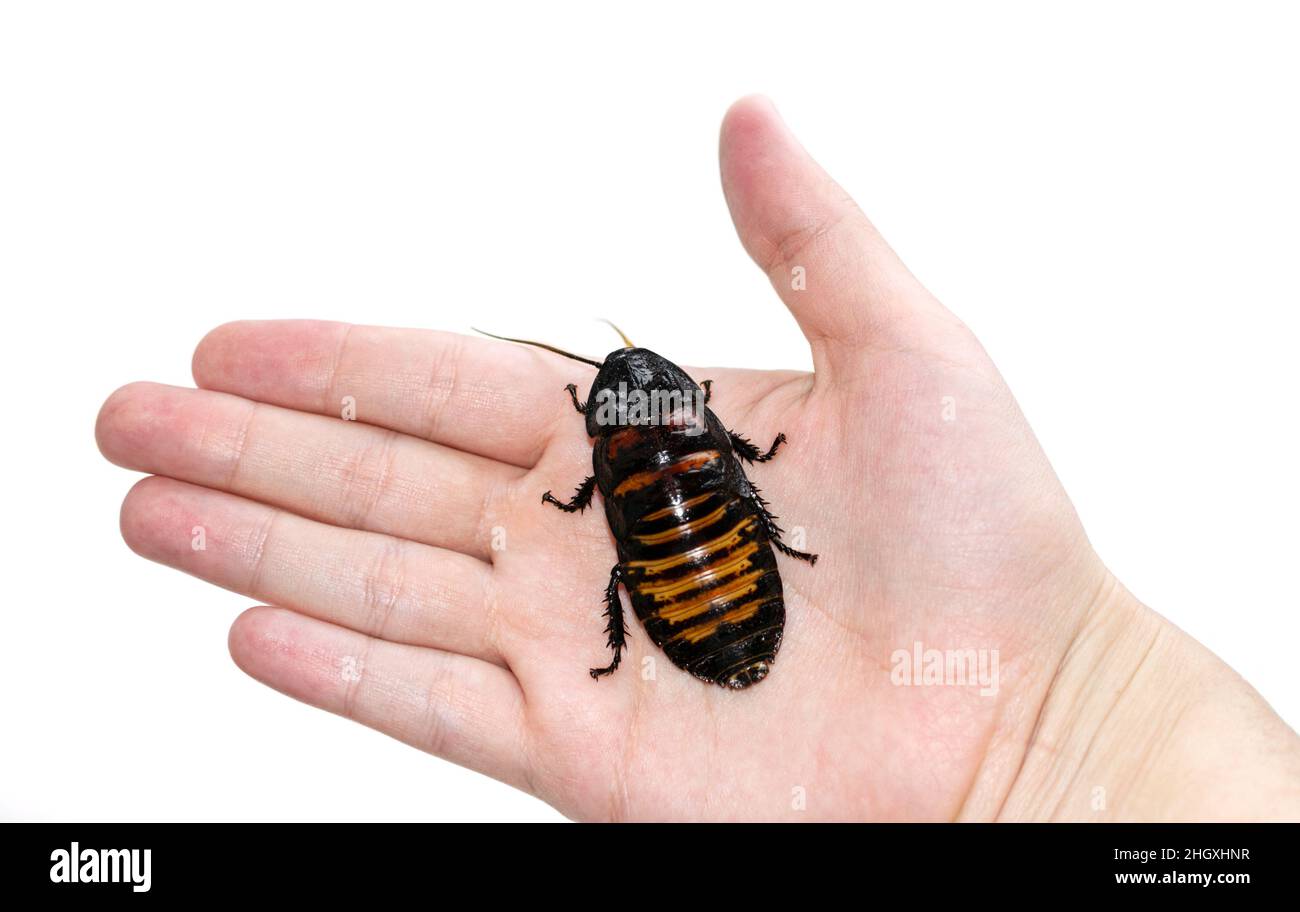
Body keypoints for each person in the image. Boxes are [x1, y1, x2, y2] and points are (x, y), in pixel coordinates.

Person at [94, 96, 1300, 821]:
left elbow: (637, 510)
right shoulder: (695, 440)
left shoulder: (617, 461)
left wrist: (1069, 722)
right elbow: (716, 472)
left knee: (649, 558)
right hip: (704, 560)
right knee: (672, 545)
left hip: (683, 575)